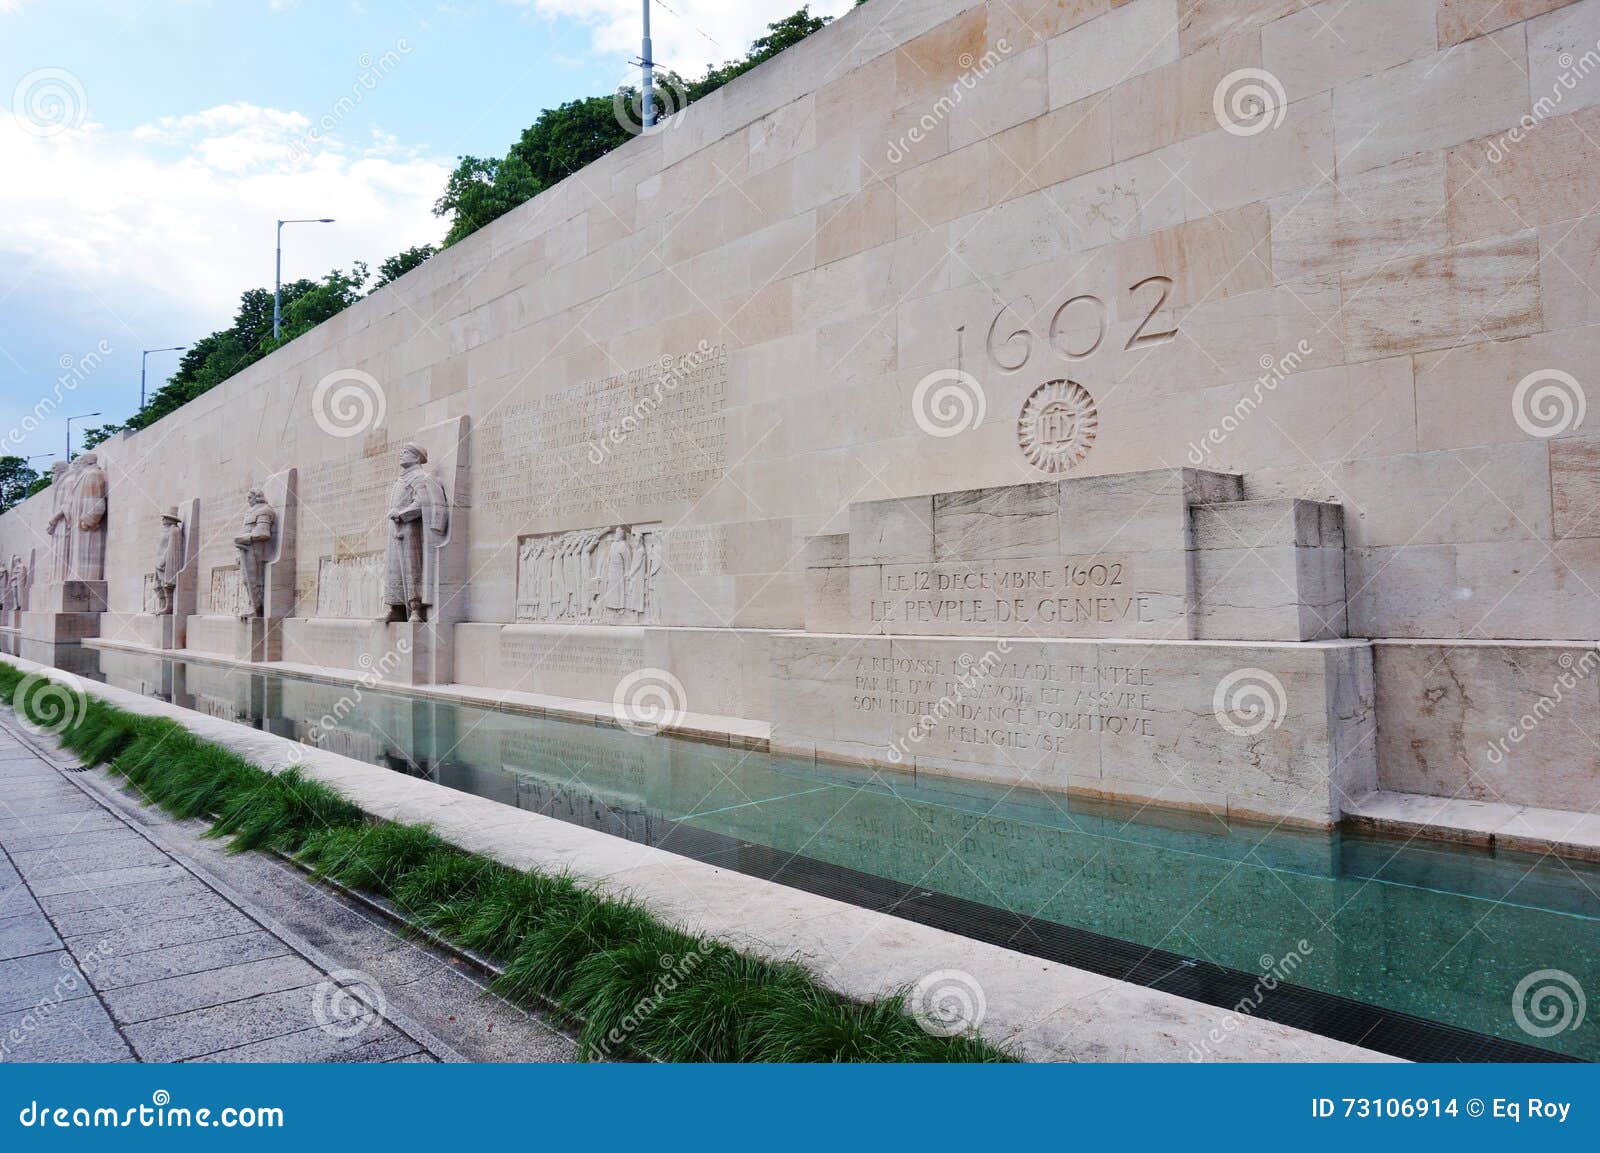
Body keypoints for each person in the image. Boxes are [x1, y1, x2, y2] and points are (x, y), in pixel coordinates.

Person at [383, 442, 449, 623]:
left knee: (413, 568)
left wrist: (402, 514)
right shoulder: (400, 481)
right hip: (396, 531)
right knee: (394, 569)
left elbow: (423, 503)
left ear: (418, 457)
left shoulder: (421, 478)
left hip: (411, 531)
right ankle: (396, 607)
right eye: (402, 452)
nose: (402, 454)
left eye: (407, 452)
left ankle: (415, 609)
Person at [234, 488, 277, 619]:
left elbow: (263, 532)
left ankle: (256, 608)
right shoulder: (250, 512)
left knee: (254, 580)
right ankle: (253, 605)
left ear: (257, 497)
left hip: (255, 550)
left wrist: (245, 538)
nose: (247, 501)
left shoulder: (265, 511)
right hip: (244, 549)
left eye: (249, 498)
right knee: (246, 580)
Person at [152, 507, 184, 615]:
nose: (163, 520)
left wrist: (163, 560)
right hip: (159, 561)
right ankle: (162, 604)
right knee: (157, 585)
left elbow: (171, 548)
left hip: (165, 561)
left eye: (165, 518)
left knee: (166, 584)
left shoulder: (174, 530)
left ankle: (168, 606)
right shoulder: (165, 531)